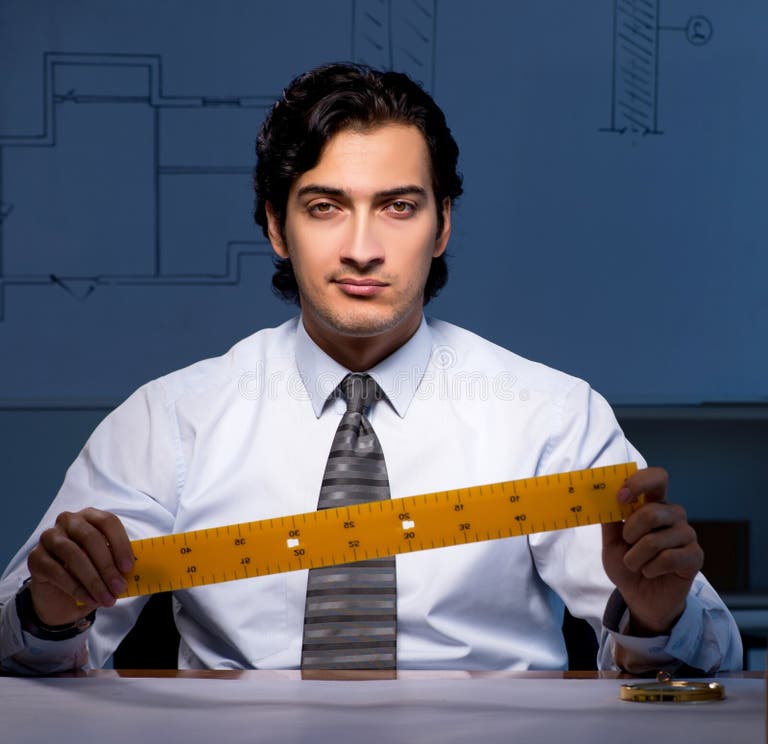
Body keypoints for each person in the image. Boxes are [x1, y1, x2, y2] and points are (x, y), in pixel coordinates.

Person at [0, 63, 741, 674]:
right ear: (274, 226)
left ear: (442, 224)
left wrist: (658, 615)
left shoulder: (552, 414)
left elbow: (711, 660)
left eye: (398, 206)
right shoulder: (169, 420)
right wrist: (49, 611)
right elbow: (16, 654)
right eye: (325, 206)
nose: (362, 247)